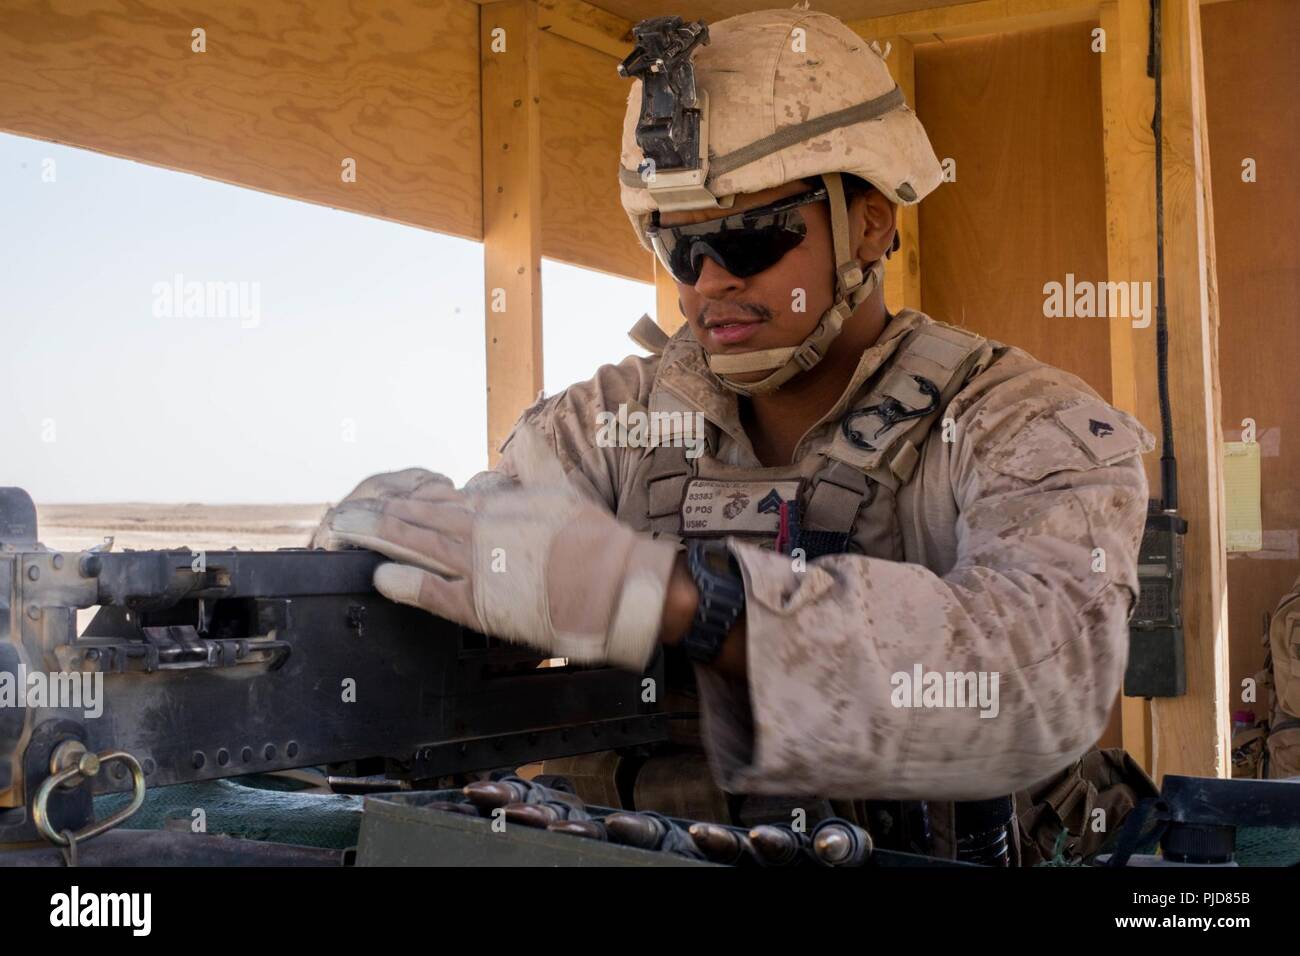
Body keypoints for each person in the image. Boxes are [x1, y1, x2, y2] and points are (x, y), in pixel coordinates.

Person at [313, 8, 1154, 863]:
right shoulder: (605, 425)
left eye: (750, 237)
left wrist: (678, 600)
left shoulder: (1022, 422)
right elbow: (448, 597)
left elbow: (1040, 677)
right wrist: (373, 566)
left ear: (868, 222)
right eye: (680, 250)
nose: (709, 284)